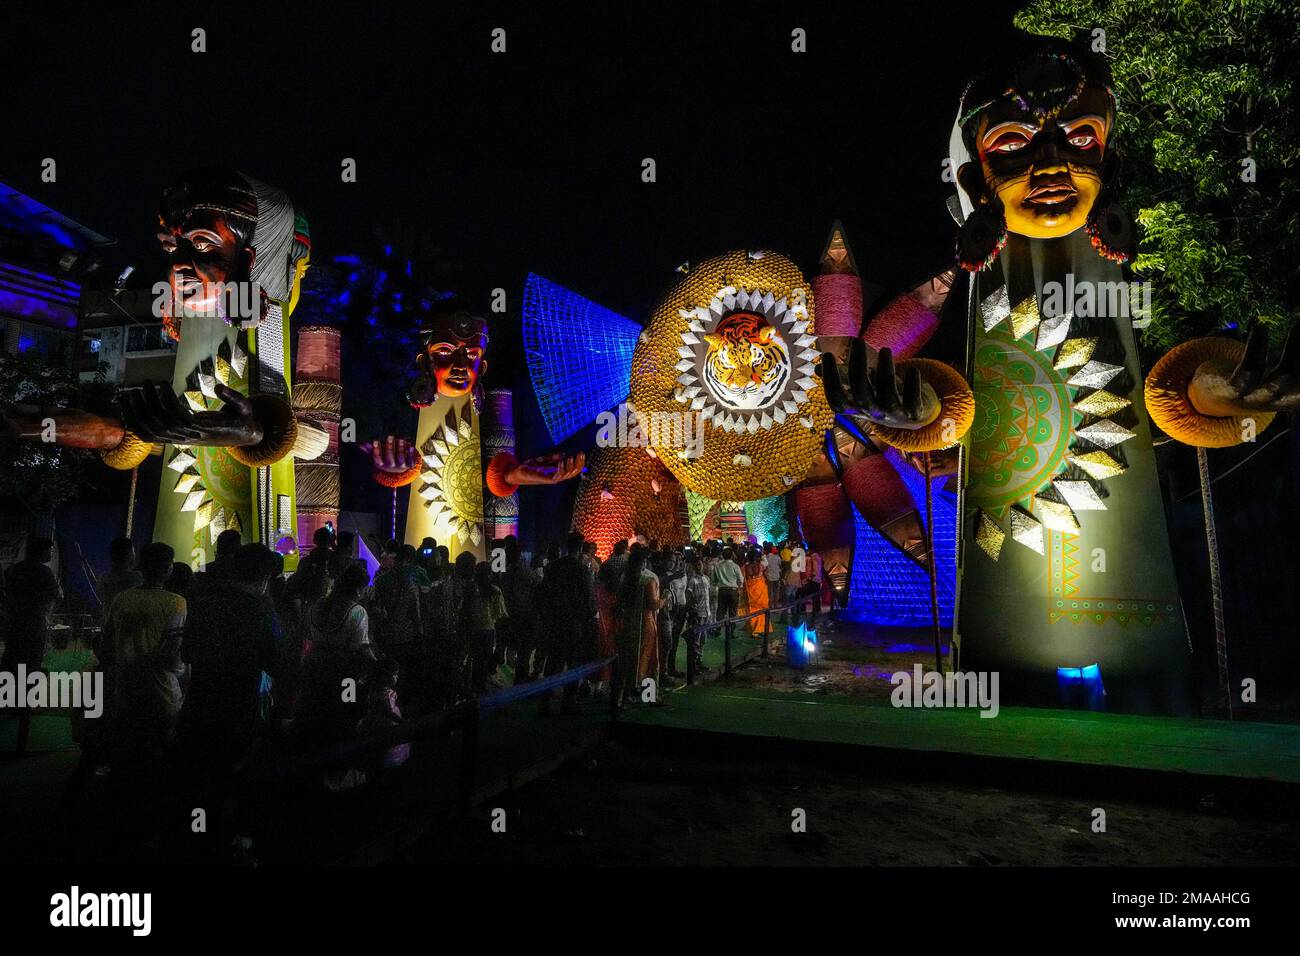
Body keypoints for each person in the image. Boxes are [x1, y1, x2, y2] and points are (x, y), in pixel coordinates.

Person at [176, 543, 285, 778]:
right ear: (265, 578)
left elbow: (186, 653)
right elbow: (276, 662)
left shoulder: (204, 603)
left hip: (199, 705)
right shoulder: (262, 611)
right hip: (238, 710)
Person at [101, 541, 186, 780]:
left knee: (128, 756)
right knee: (166, 755)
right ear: (169, 567)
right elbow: (173, 656)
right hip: (161, 693)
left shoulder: (121, 599)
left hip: (126, 690)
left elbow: (105, 646)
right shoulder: (176, 602)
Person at [535, 531, 596, 714]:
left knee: (553, 663)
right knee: (573, 664)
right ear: (580, 547)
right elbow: (588, 598)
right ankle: (568, 702)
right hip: (574, 624)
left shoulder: (553, 567)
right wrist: (589, 615)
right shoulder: (581, 570)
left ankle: (545, 701)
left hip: (555, 622)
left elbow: (542, 593)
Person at [2, 536, 62, 674]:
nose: (50, 554)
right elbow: (57, 596)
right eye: (49, 551)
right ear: (41, 551)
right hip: (34, 623)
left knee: (12, 656)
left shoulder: (12, 570)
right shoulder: (44, 572)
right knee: (32, 658)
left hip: (13, 621)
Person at [612, 545, 662, 707]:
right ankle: (649, 696)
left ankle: (621, 699)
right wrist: (666, 598)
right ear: (644, 562)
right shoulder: (648, 580)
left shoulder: (625, 579)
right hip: (645, 623)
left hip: (627, 624)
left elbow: (618, 603)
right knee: (649, 660)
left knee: (626, 662)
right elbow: (654, 604)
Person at [99, 537, 142, 622]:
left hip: (107, 625)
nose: (135, 554)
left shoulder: (103, 578)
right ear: (129, 553)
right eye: (133, 551)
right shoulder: (136, 578)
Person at [710, 547, 744, 642]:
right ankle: (731, 633)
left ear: (722, 555)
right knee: (732, 613)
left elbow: (714, 581)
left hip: (722, 591)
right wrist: (738, 587)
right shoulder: (735, 566)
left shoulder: (717, 566)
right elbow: (741, 580)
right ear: (732, 555)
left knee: (720, 612)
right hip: (733, 591)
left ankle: (717, 630)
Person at [743, 548, 770, 637]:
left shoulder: (745, 567)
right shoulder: (761, 566)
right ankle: (761, 628)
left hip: (750, 590)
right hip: (761, 589)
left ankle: (753, 629)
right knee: (762, 608)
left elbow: (745, 578)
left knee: (752, 609)